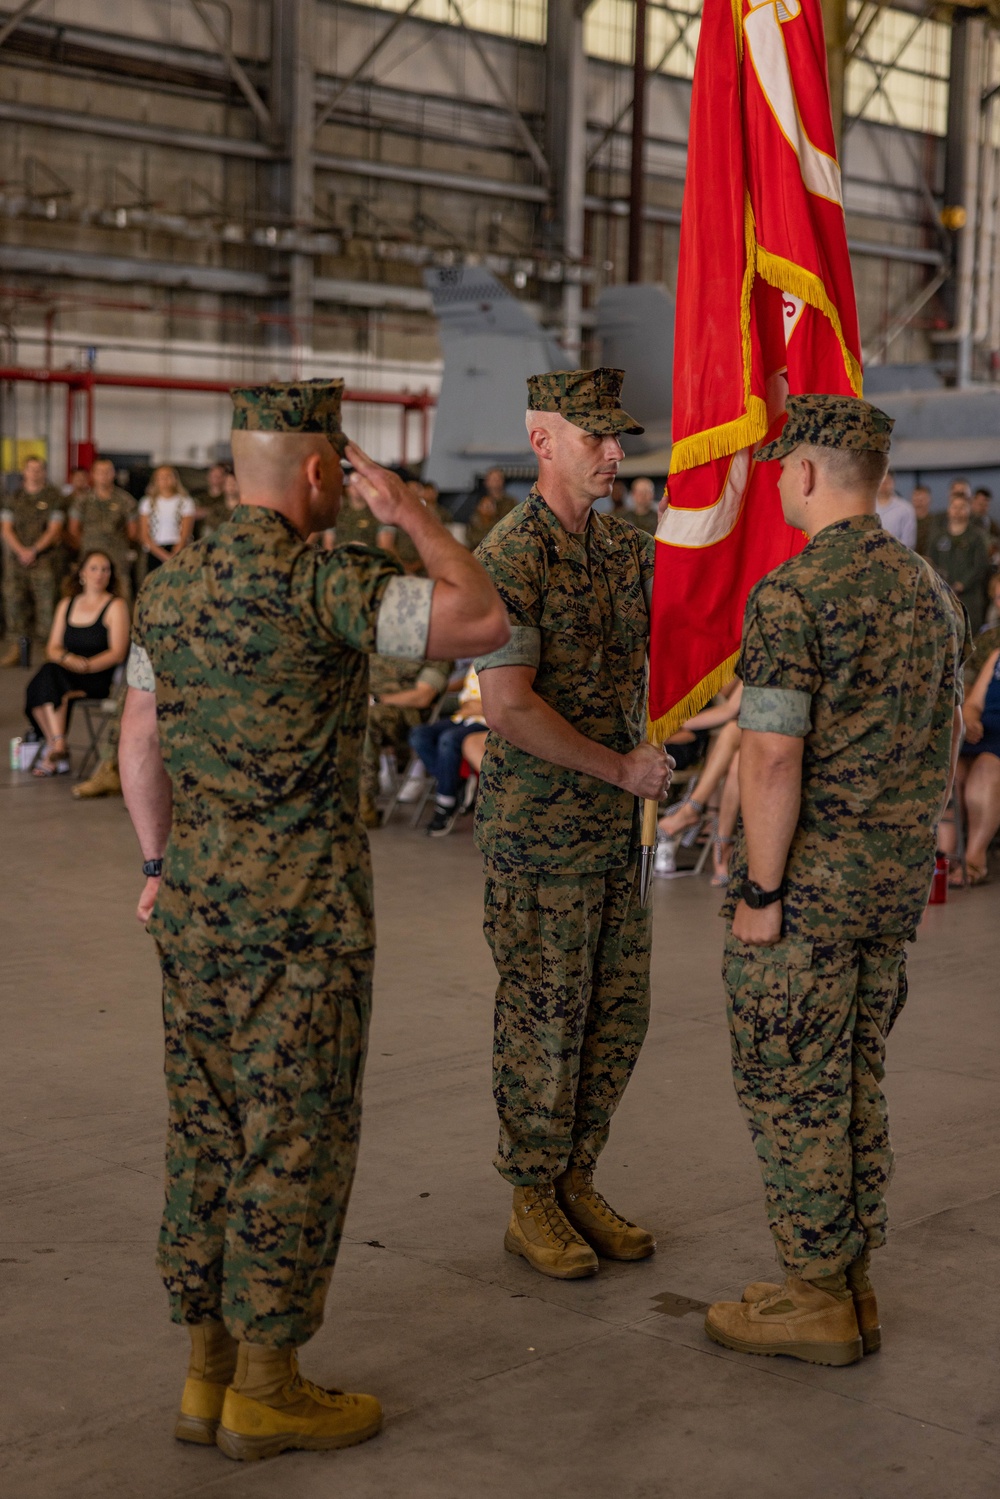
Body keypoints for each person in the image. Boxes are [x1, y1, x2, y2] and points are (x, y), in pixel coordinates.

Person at [119, 378, 507, 1463]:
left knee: (205, 1132)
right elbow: (479, 616)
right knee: (294, 1139)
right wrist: (417, 519)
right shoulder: (327, 579)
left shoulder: (170, 588)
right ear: (323, 472)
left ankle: (204, 1373)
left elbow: (139, 741)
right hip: (303, 922)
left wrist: (157, 861)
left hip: (195, 905)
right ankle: (268, 1387)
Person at [704, 394, 969, 1368]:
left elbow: (770, 756)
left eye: (781, 466)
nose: (778, 479)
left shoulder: (793, 595)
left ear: (808, 473)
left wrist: (761, 892)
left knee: (791, 1086)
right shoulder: (932, 593)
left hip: (809, 892)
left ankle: (816, 1295)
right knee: (852, 1079)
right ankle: (844, 1275)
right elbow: (945, 741)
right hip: (890, 892)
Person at [473, 367, 673, 1281]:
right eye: (594, 437)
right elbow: (507, 707)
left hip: (612, 834)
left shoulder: (624, 550)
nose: (615, 453)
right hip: (541, 834)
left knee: (614, 1018)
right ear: (541, 440)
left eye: (616, 436)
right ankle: (530, 1194)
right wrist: (621, 768)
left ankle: (575, 1177)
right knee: (544, 1019)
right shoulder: (511, 556)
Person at [24, 550, 130, 775]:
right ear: (82, 573)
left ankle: (56, 749)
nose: (100, 574)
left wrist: (88, 665)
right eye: (94, 568)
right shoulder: (67, 604)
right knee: (49, 676)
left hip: (97, 676)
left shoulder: (116, 606)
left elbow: (118, 652)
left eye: (105, 569)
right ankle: (58, 745)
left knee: (48, 682)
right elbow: (52, 647)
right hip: (67, 671)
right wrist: (69, 659)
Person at [358, 652, 452, 827]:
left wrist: (377, 700)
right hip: (369, 707)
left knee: (365, 718)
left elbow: (423, 696)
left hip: (407, 717)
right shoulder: (378, 644)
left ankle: (363, 802)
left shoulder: (435, 651)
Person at [941, 646, 1000, 885]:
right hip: (984, 733)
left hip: (996, 745)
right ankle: (944, 856)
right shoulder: (997, 655)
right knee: (950, 771)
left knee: (985, 769)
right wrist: (972, 719)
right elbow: (974, 702)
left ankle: (975, 858)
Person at [1, 455, 65, 666]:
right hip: (16, 562)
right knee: (15, 606)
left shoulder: (54, 496)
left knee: (46, 607)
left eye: (39, 469)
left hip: (44, 562)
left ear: (44, 472)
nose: (35, 473)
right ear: (24, 472)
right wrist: (21, 551)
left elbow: (54, 529)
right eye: (31, 469)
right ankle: (16, 650)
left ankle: (49, 649)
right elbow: (6, 529)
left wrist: (34, 551)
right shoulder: (13, 497)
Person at [409, 664, 488, 835]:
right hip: (464, 717)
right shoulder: (478, 660)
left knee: (449, 739)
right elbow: (465, 699)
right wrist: (470, 705)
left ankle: (445, 804)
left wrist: (481, 707)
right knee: (419, 734)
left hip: (486, 723)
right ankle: (456, 782)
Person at [68, 458, 138, 608]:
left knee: (122, 598)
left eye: (107, 472)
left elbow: (133, 532)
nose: (104, 476)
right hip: (90, 557)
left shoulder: (125, 500)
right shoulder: (82, 501)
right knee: (88, 597)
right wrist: (88, 544)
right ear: (93, 474)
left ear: (113, 474)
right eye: (100, 472)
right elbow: (73, 529)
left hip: (117, 559)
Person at [926, 480, 991, 634]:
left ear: (969, 509)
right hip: (943, 595)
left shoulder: (977, 537)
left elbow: (981, 565)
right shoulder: (938, 537)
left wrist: (963, 584)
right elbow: (930, 563)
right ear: (949, 509)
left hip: (970, 597)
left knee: (970, 635)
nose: (957, 511)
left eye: (962, 507)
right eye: (954, 507)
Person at [137, 466, 196, 581]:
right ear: (156, 481)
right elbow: (144, 535)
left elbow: (185, 532)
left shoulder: (185, 501)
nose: (165, 480)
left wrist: (174, 554)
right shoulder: (147, 502)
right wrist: (163, 556)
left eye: (168, 476)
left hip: (177, 548)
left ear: (175, 479)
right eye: (161, 477)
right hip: (155, 550)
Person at [466, 467, 520, 551]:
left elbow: (513, 525)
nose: (495, 482)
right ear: (486, 482)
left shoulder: (511, 502)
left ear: (503, 481)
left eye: (498, 479)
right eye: (492, 479)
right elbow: (472, 530)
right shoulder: (478, 501)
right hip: (481, 544)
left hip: (504, 545)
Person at [334, 469, 382, 548]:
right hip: (340, 557)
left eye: (360, 485)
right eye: (353, 485)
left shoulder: (377, 514)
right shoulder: (337, 513)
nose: (357, 489)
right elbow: (328, 543)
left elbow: (384, 545)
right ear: (347, 488)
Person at [874, 470, 917, 548]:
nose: (884, 484)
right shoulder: (866, 507)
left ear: (893, 482)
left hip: (898, 556)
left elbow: (909, 541)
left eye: (887, 481)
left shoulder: (905, 508)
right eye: (881, 481)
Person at [193, 463, 231, 537]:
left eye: (219, 475)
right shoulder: (199, 496)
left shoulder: (227, 498)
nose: (215, 478)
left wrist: (207, 512)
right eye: (213, 475)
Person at [971, 485, 1000, 561]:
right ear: (973, 502)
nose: (983, 508)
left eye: (986, 505)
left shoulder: (993, 525)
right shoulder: (965, 523)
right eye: (980, 504)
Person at [911, 484, 933, 556]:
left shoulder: (934, 522)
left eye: (921, 500)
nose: (918, 503)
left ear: (929, 500)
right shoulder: (907, 521)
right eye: (916, 500)